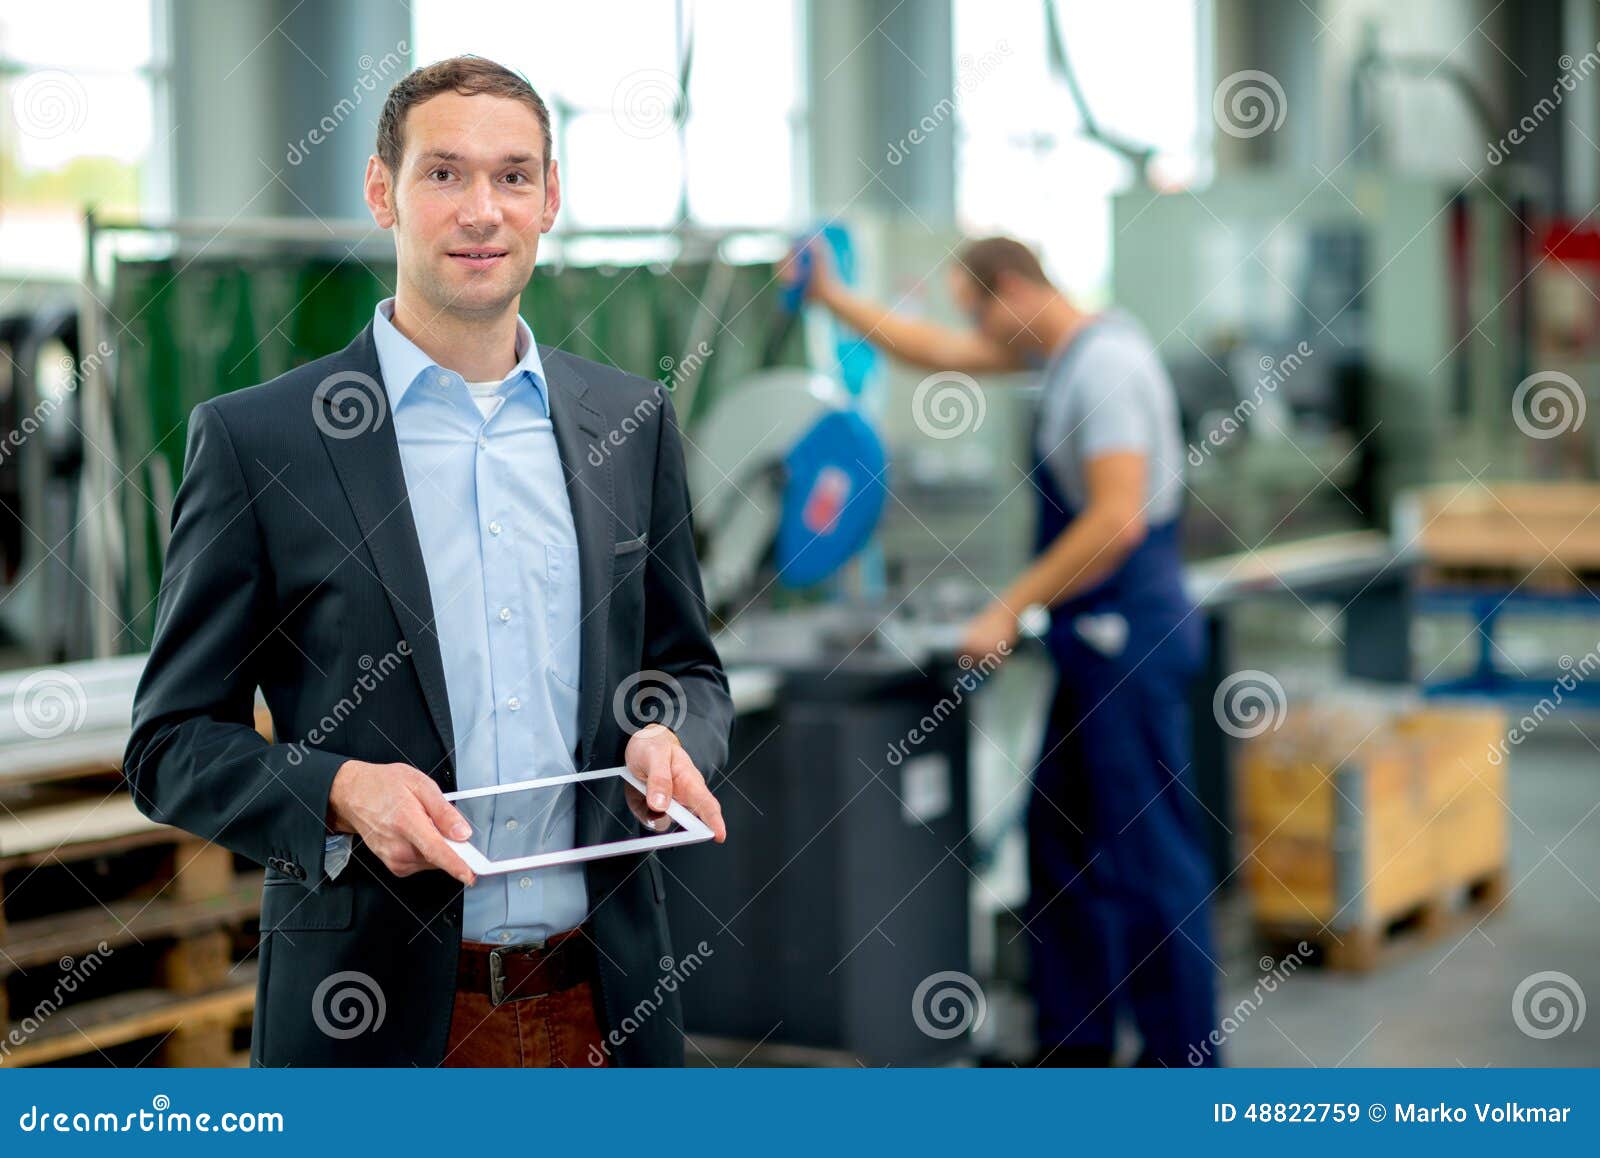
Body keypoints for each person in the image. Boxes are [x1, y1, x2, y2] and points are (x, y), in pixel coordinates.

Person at [125, 57, 732, 1068]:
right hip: (376, 1025)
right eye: (443, 174)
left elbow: (691, 669)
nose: (481, 210)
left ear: (549, 201)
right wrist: (337, 791)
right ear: (382, 194)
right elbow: (170, 744)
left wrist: (671, 739)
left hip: (605, 1008)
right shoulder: (262, 442)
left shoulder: (627, 422)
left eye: (513, 176)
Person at [791, 235, 1218, 1066]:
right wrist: (833, 299)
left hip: (1127, 631)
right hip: (1093, 633)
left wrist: (1008, 605)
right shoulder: (1062, 358)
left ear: (1017, 289)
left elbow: (1117, 518)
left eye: (982, 307)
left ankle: (1184, 1072)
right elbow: (941, 352)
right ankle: (1075, 1055)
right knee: (1058, 843)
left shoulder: (1102, 368)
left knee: (1147, 861)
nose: (978, 329)